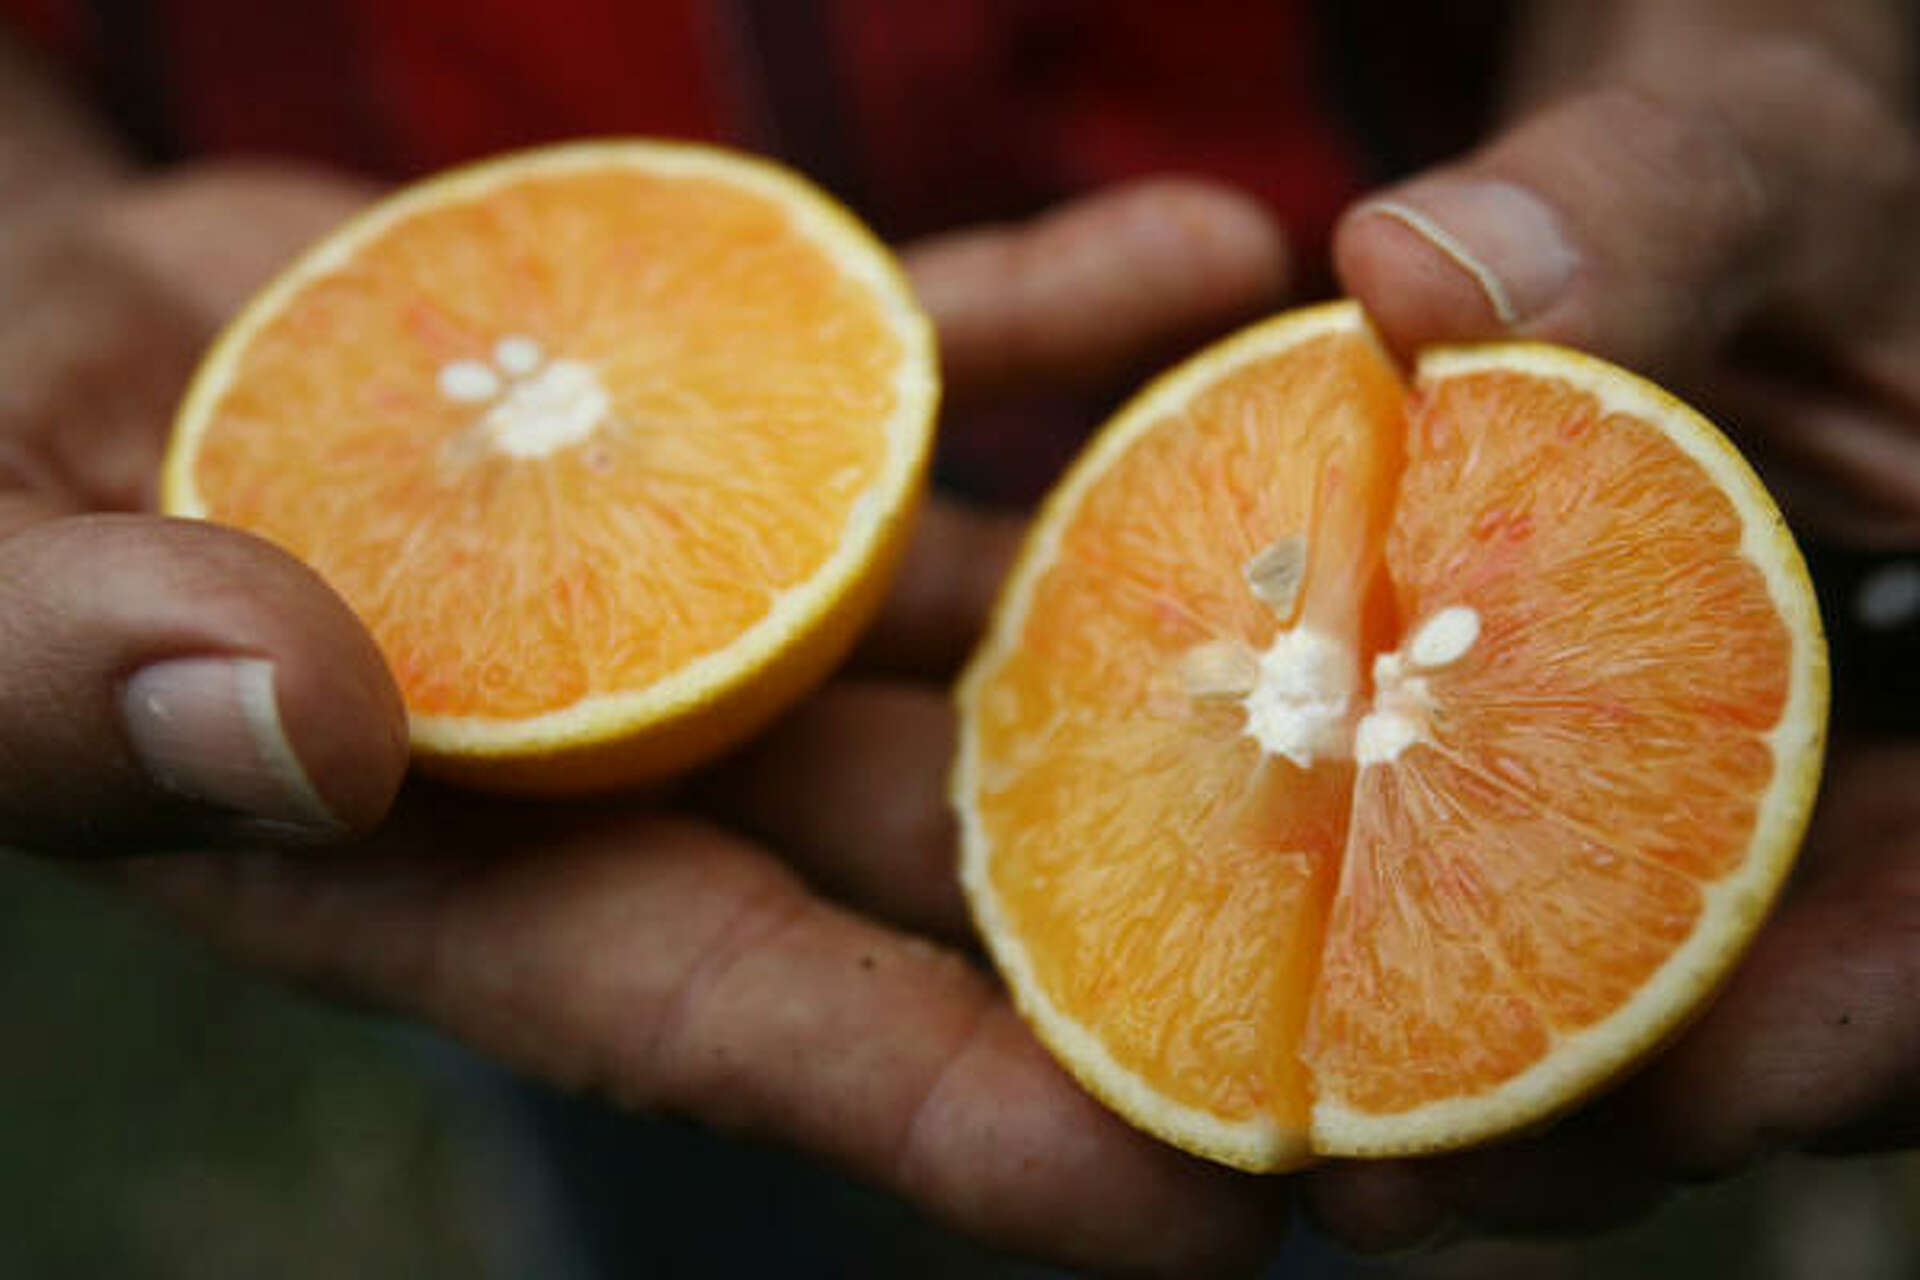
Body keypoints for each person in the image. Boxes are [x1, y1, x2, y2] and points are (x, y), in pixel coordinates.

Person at [1, 0, 1917, 1272]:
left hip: (1369, 250)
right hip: (339, 264)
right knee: (696, 1189)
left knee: (1332, 1186)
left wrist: (1778, 44)